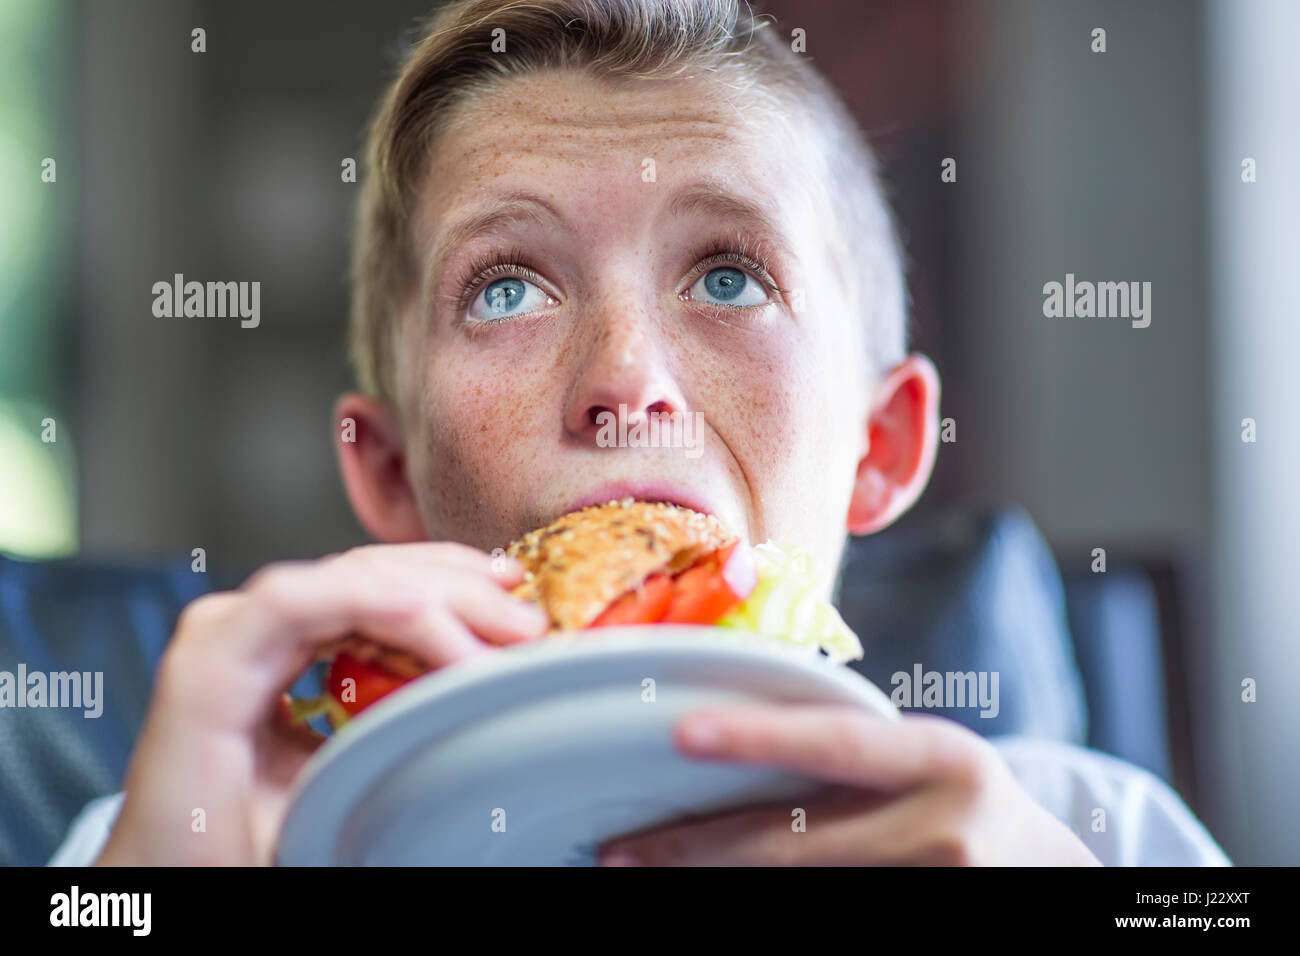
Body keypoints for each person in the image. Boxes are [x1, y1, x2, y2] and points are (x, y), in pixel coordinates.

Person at [52, 0, 1228, 866]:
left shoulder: (1096, 833)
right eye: (507, 288)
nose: (624, 381)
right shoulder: (199, 830)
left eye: (728, 277)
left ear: (877, 446)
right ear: (398, 475)